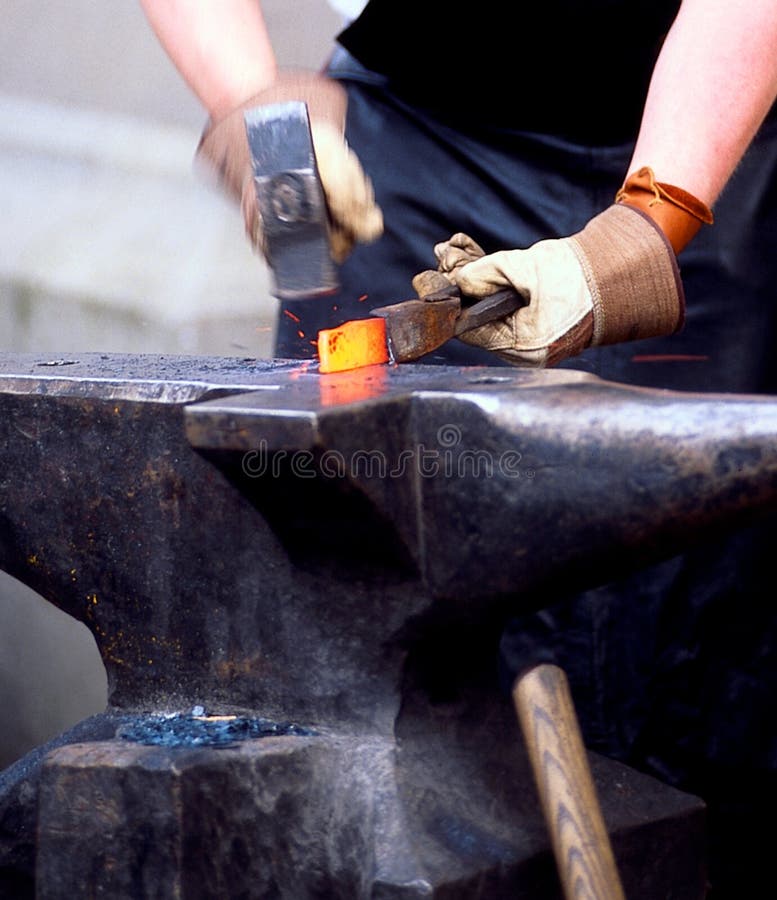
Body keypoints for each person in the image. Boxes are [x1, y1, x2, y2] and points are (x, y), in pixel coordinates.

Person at [140, 2, 777, 895]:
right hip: (407, 140)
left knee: (710, 645)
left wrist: (645, 226)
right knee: (363, 620)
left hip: (719, 145)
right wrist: (253, 107)